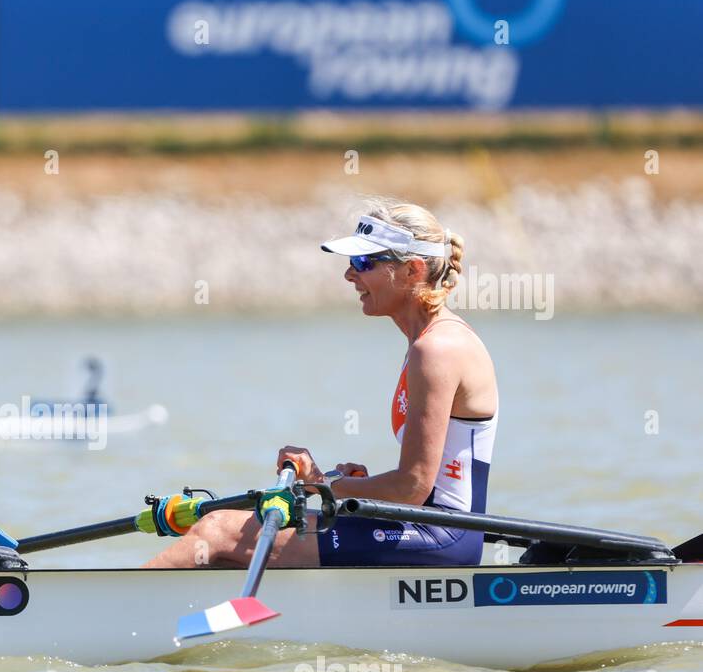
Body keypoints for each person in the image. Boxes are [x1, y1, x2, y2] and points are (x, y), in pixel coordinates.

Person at [145, 198, 497, 569]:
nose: (350, 275)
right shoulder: (430, 341)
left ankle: (104, 619)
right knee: (234, 550)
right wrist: (348, 483)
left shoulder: (437, 350)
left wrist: (320, 483)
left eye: (364, 263)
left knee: (216, 529)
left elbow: (411, 488)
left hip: (440, 537)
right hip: (427, 529)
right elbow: (417, 487)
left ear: (412, 270)